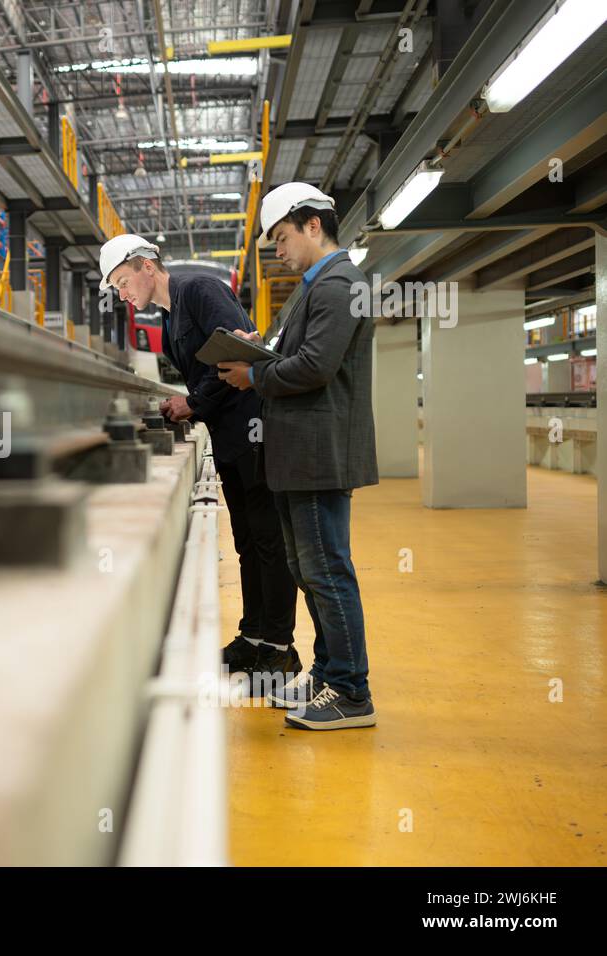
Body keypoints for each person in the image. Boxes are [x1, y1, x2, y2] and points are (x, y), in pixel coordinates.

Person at [99, 234, 300, 692]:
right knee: (249, 540)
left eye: (123, 281)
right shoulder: (170, 319)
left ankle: (280, 649)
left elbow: (238, 354)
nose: (123, 294)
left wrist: (195, 402)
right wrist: (192, 403)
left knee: (268, 540)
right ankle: (253, 635)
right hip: (229, 436)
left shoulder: (199, 291)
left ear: (146, 266)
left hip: (253, 430)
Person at [216, 183, 378, 730]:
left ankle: (352, 692)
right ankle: (329, 672)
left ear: (313, 225)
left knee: (327, 572)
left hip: (316, 454)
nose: (277, 250)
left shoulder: (339, 285)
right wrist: (258, 346)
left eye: (282, 238)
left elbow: (314, 367)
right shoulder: (312, 289)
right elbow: (297, 352)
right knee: (307, 571)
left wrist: (253, 373)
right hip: (295, 454)